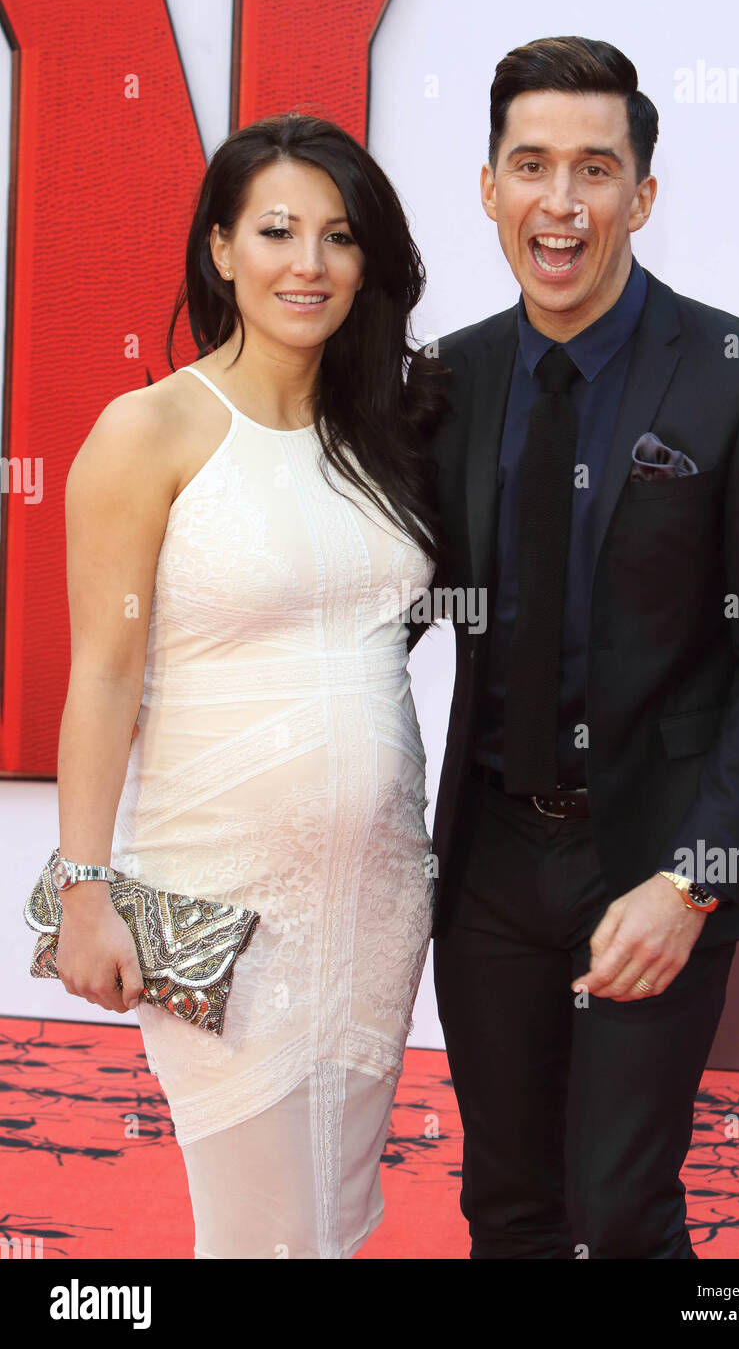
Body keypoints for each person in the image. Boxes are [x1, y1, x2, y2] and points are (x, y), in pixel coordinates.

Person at [407, 36, 739, 1259]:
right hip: (487, 860)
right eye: (529, 164)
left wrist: (691, 880)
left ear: (640, 196)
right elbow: (388, 598)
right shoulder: (448, 377)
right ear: (486, 185)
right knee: (508, 1209)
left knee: (618, 1214)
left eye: (594, 170)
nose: (559, 201)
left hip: (651, 857)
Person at [55, 112, 446, 1259]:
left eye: (338, 236)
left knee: (328, 1220)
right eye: (276, 230)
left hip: (377, 901)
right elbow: (103, 669)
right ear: (220, 248)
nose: (307, 263)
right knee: (260, 1232)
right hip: (218, 905)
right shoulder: (149, 428)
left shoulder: (382, 430)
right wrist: (85, 887)